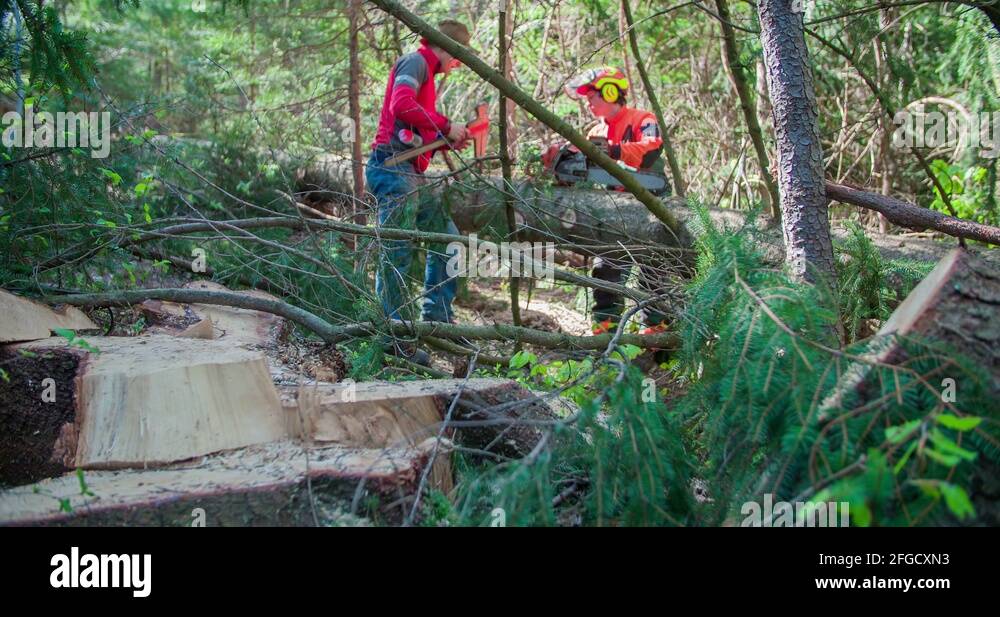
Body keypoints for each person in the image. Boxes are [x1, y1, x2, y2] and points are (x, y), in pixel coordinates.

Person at [366, 20, 473, 364]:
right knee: (397, 253)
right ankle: (394, 339)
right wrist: (444, 125)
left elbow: (413, 123)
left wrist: (444, 137)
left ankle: (437, 321)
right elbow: (401, 105)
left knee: (448, 237)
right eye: (457, 57)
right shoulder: (416, 62)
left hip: (409, 171)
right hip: (393, 169)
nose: (456, 65)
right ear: (444, 49)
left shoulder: (427, 71)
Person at [551, 67, 671, 337]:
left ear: (611, 91)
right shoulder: (595, 131)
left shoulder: (642, 119)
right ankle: (605, 334)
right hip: (613, 212)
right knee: (605, 272)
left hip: (649, 208)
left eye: (593, 96)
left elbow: (652, 149)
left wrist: (615, 151)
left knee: (653, 273)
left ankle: (657, 336)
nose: (589, 103)